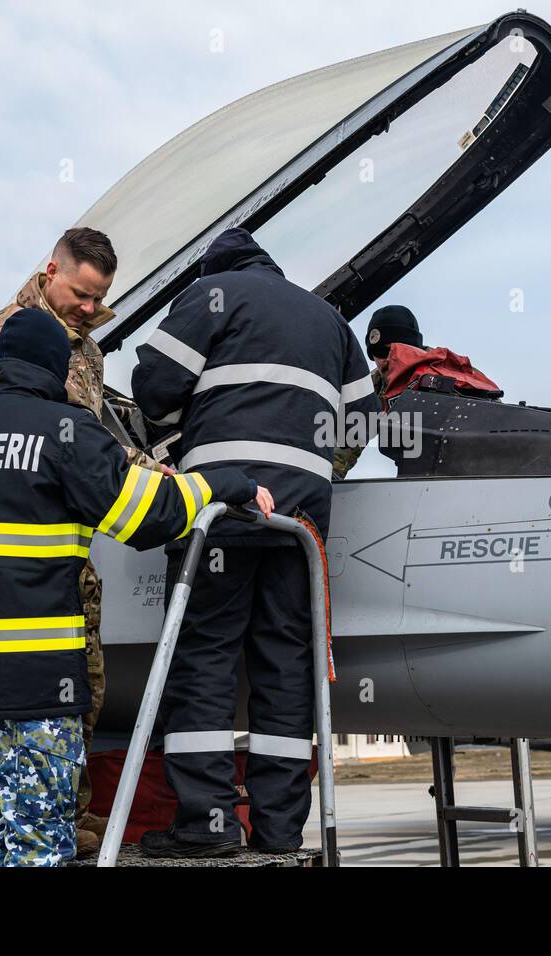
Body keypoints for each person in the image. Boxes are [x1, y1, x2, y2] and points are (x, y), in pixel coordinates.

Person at [0, 307, 271, 866]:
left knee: (5, 838)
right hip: (38, 683)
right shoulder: (65, 432)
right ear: (59, 369)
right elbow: (150, 517)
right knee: (39, 849)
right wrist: (227, 482)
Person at [130, 227, 378, 857]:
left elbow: (154, 383)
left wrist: (173, 447)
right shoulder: (331, 320)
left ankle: (206, 825)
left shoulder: (212, 294)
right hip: (303, 522)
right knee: (287, 664)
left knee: (204, 654)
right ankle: (278, 831)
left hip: (221, 504)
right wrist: (318, 473)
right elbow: (364, 420)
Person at [0, 226, 165, 855]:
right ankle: (31, 828)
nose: (88, 308)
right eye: (79, 294)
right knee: (25, 704)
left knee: (84, 687)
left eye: (98, 299)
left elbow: (95, 437)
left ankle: (68, 816)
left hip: (68, 554)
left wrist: (153, 474)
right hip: (15, 560)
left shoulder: (87, 350)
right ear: (51, 271)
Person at [331, 304, 425, 479]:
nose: (385, 361)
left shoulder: (447, 375)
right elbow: (342, 448)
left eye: (393, 351)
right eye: (379, 352)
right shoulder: (373, 387)